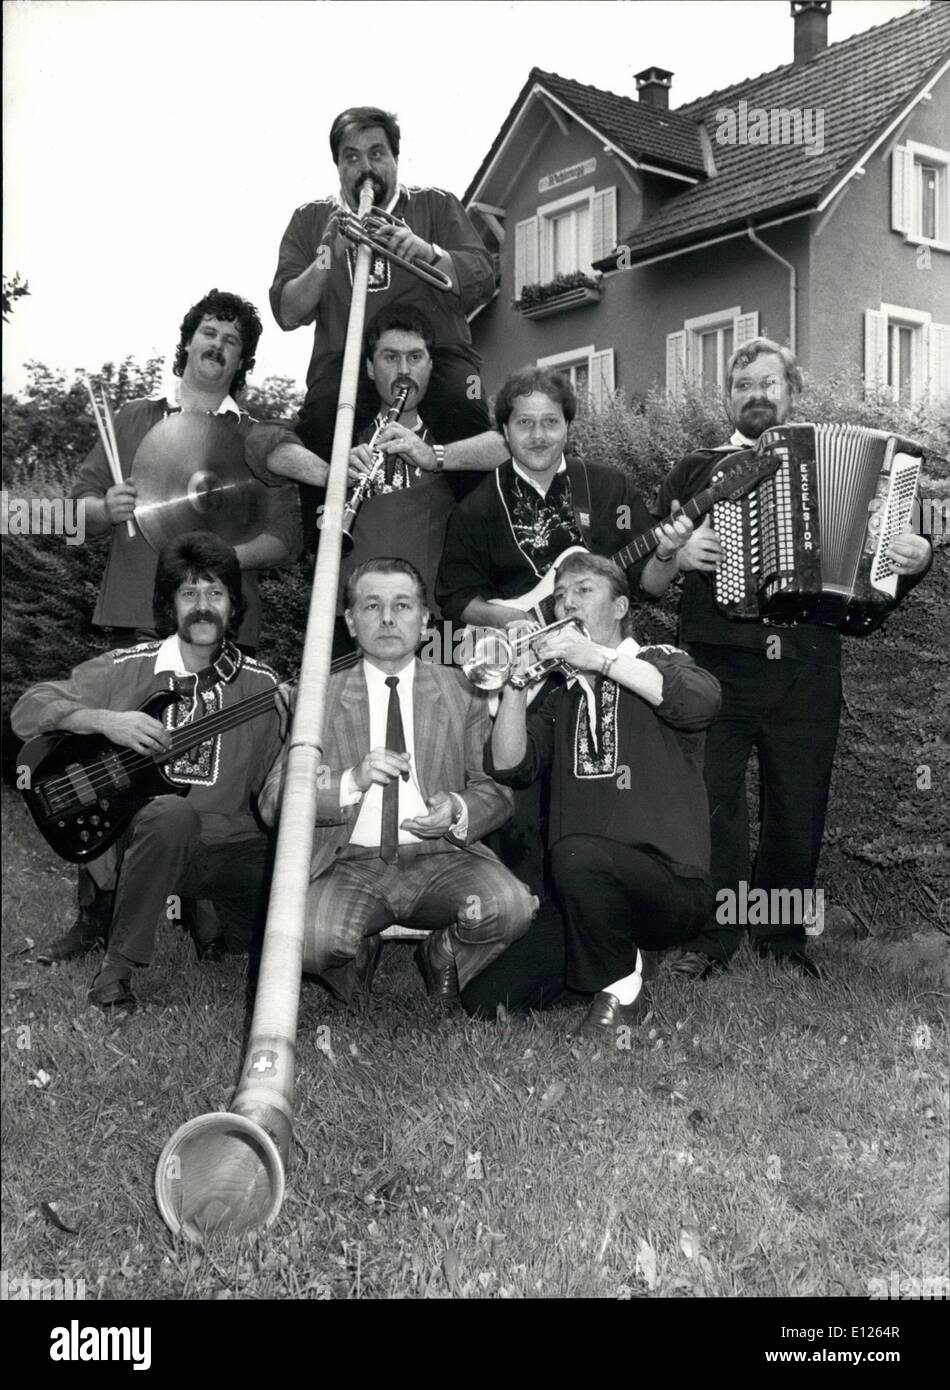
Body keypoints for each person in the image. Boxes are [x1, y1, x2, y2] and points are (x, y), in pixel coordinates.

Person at [648, 338, 933, 979]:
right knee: (714, 802)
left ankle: (782, 942)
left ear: (790, 393)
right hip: (716, 664)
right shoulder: (695, 469)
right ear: (727, 397)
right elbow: (647, 580)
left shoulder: (843, 459)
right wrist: (678, 554)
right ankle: (711, 939)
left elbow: (886, 549)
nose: (756, 395)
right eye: (743, 384)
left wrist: (916, 557)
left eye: (768, 384)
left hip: (808, 662)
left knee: (799, 806)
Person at [436, 364, 693, 898]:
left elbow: (649, 583)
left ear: (568, 427)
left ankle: (609, 901)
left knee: (604, 789)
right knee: (521, 794)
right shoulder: (477, 506)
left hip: (603, 668)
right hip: (525, 674)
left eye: (550, 422)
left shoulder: (608, 486)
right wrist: (521, 621)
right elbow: (456, 598)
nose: (537, 435)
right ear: (503, 431)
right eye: (523, 423)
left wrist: (667, 552)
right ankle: (525, 906)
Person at [11, 533, 286, 1014]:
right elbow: (27, 708)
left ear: (235, 605)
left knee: (257, 930)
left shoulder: (263, 685)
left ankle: (214, 918)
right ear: (169, 605)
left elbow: (276, 788)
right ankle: (115, 970)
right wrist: (102, 721)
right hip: (144, 842)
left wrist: (301, 725)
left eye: (216, 593)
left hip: (233, 847)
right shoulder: (127, 668)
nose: (203, 606)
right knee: (170, 813)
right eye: (189, 593)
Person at [259, 558, 536, 1008]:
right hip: (348, 862)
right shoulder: (316, 695)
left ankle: (441, 954)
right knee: (308, 940)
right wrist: (350, 781)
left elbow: (496, 790)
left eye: (403, 605)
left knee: (512, 907)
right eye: (371, 606)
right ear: (350, 621)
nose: (388, 618)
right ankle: (353, 958)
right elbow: (273, 801)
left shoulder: (462, 690)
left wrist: (457, 811)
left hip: (443, 858)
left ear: (425, 619)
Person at [482, 552, 721, 1035]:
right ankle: (623, 961)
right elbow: (509, 765)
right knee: (487, 1001)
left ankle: (623, 991)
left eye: (583, 590)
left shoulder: (660, 661)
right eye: (560, 596)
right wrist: (514, 682)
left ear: (619, 607)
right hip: (583, 890)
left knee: (576, 854)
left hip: (672, 887)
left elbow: (700, 704)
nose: (567, 603)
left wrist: (600, 660)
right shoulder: (559, 696)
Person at [71, 288, 303, 653]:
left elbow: (286, 540)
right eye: (209, 333)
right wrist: (103, 510)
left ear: (242, 360)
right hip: (137, 620)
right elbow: (74, 518)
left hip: (226, 631)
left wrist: (211, 561)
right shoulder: (132, 417)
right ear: (188, 343)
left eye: (231, 341)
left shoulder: (260, 438)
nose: (217, 345)